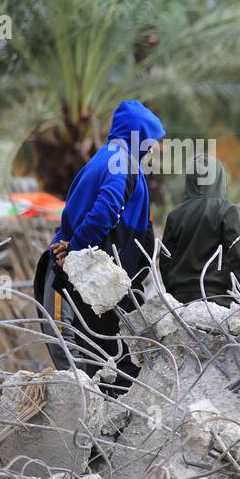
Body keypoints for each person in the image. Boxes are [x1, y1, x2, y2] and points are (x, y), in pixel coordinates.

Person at [36, 99, 162, 386]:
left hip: (91, 279)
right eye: (150, 141)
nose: (152, 149)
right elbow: (106, 208)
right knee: (106, 360)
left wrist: (71, 245)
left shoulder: (103, 159)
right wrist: (76, 248)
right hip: (94, 280)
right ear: (137, 135)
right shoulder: (121, 162)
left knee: (95, 355)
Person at [158, 154, 240, 306]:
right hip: (218, 297)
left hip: (180, 298)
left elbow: (165, 259)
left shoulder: (175, 215)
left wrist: (172, 292)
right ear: (220, 178)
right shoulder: (228, 211)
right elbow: (239, 254)